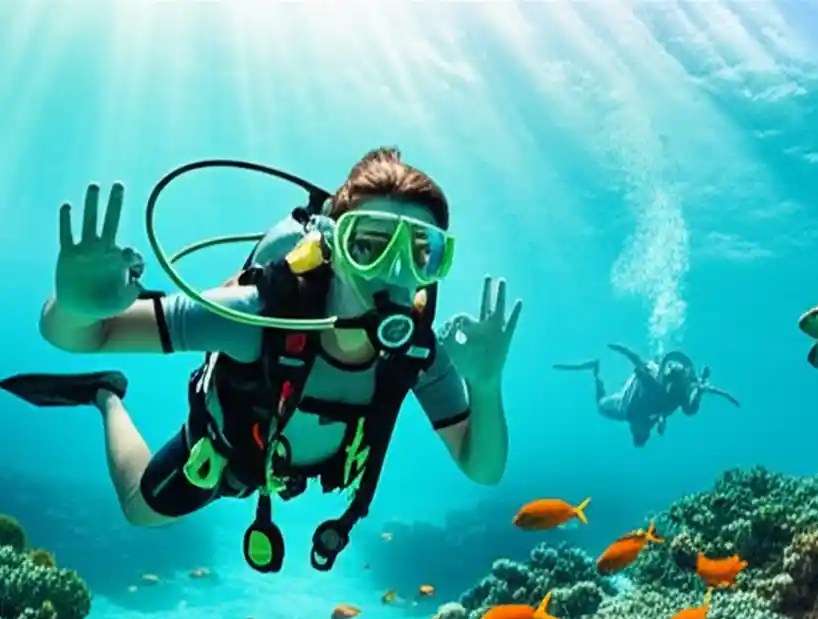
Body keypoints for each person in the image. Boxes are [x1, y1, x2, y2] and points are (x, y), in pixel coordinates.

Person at [2, 148, 522, 573]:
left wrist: (486, 383)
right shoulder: (256, 317)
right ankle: (106, 396)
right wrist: (73, 305)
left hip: (287, 468)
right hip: (226, 454)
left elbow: (482, 468)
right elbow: (82, 336)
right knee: (140, 511)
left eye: (422, 252)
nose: (395, 271)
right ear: (332, 246)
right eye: (369, 246)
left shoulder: (416, 354)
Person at [554, 344, 739, 447]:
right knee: (683, 406)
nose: (641, 428)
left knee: (603, 406)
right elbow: (640, 366)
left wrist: (625, 352)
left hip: (637, 394)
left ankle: (595, 370)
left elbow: (639, 364)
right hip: (646, 390)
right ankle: (595, 371)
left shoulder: (634, 411)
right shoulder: (653, 412)